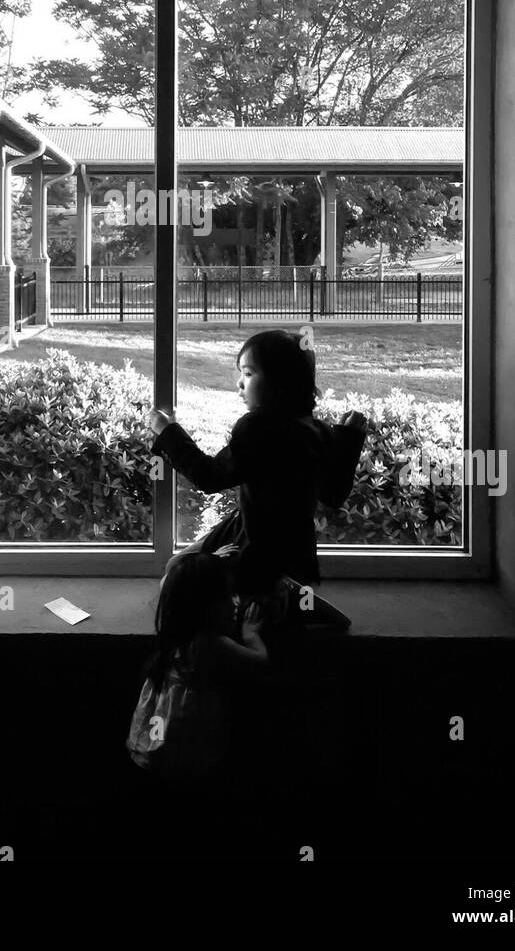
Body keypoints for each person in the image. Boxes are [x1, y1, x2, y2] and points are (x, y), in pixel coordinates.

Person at [149, 328, 368, 630]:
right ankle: (286, 598)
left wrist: (168, 431)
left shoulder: (257, 430)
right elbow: (334, 493)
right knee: (175, 568)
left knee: (175, 577)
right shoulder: (316, 431)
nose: (239, 383)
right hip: (287, 550)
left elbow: (209, 476)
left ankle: (248, 618)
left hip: (257, 551)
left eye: (248, 373)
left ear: (279, 383)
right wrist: (350, 438)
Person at [126, 552, 268, 789]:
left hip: (150, 749)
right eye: (226, 595)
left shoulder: (177, 631)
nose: (236, 601)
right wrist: (251, 635)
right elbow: (260, 661)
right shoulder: (211, 644)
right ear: (204, 605)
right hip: (187, 763)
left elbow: (170, 575)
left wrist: (209, 554)